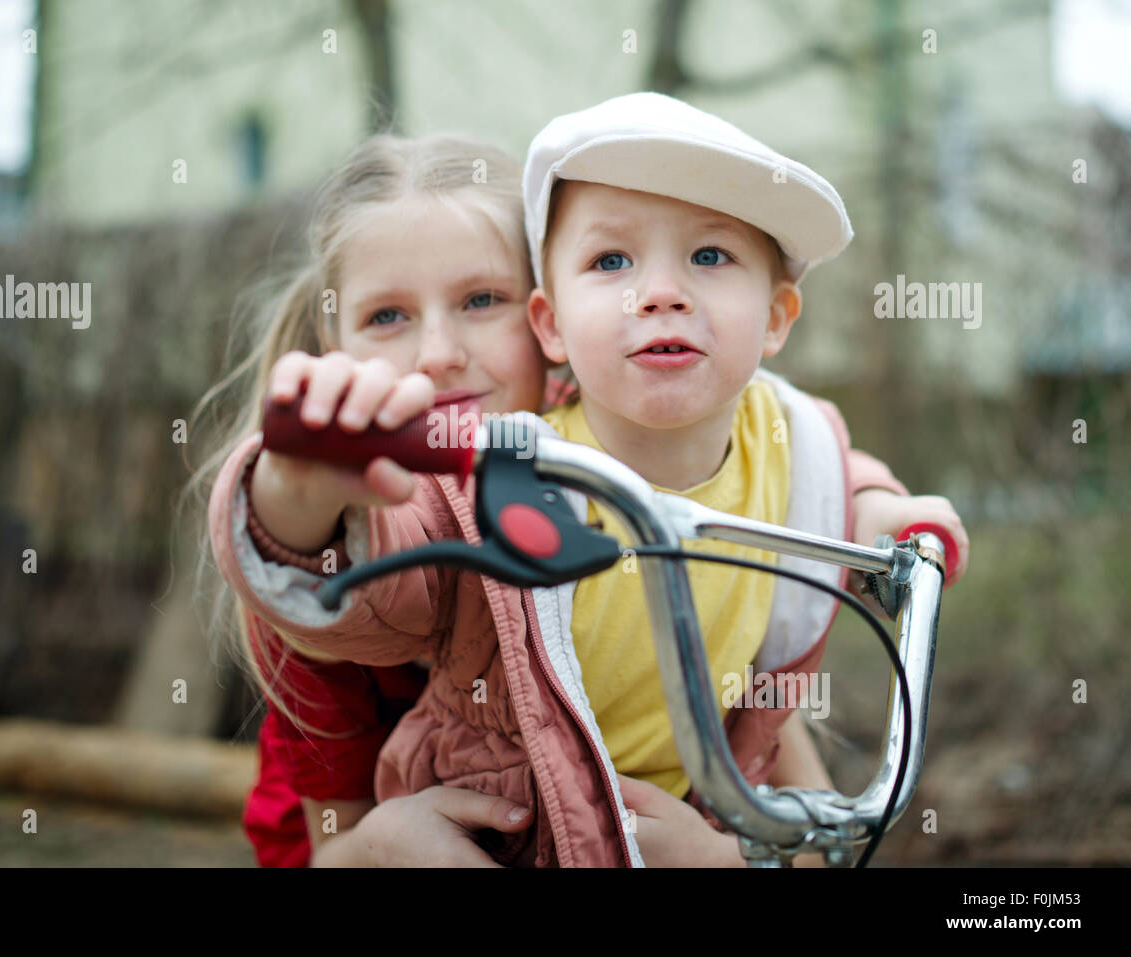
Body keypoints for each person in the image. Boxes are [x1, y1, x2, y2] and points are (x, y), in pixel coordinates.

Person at [208, 117, 959, 866]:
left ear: (547, 324)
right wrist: (298, 489)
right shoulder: (345, 556)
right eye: (387, 316)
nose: (437, 356)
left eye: (480, 301)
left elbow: (802, 490)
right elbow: (320, 836)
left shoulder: (621, 447)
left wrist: (882, 517)